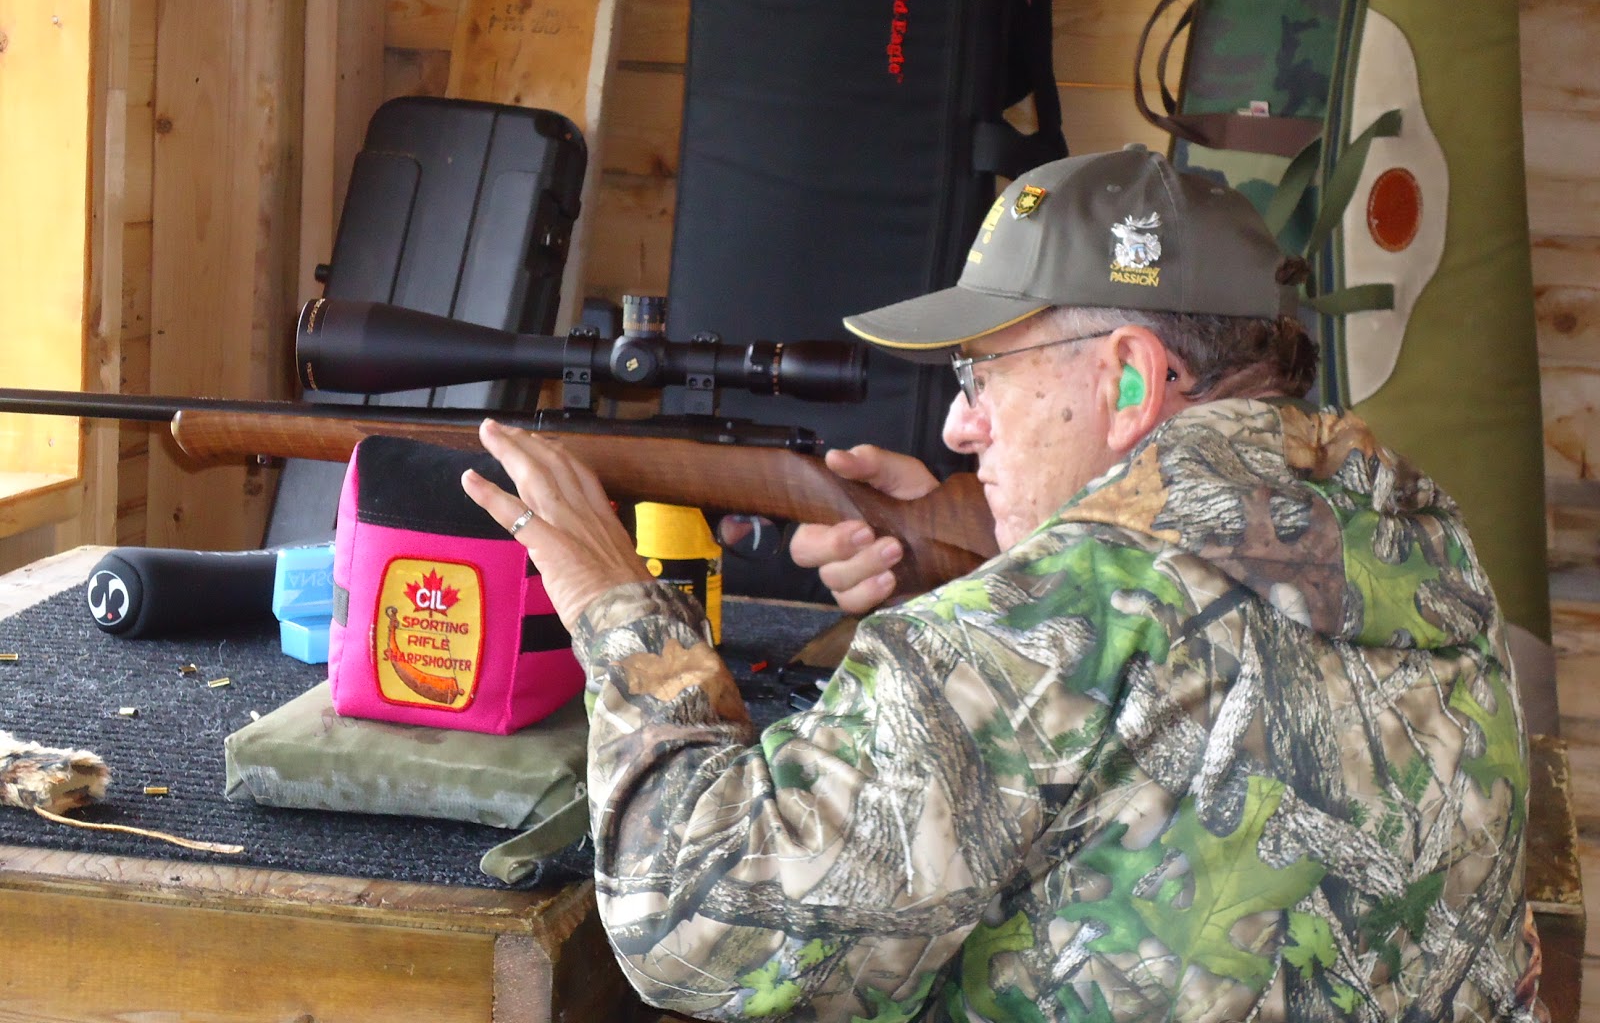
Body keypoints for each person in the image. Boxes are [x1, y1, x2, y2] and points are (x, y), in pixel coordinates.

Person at [461, 144, 1543, 1022]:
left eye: (984, 374)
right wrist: (970, 568)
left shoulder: (1063, 611)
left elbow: (694, 929)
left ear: (1127, 374)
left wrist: (614, 605)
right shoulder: (1413, 535)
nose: (957, 422)